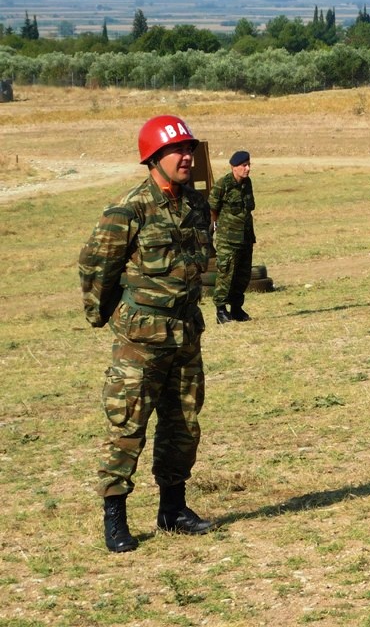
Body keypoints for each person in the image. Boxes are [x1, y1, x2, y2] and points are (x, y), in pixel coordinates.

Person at [79, 114, 214, 554]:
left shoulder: (194, 205)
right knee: (127, 424)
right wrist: (108, 316)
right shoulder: (128, 210)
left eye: (190, 149)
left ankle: (173, 508)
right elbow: (96, 267)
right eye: (177, 151)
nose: (186, 157)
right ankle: (115, 515)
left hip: (184, 333)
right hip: (141, 338)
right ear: (153, 158)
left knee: (182, 425)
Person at [209, 150, 256, 324]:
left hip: (245, 237)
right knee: (226, 274)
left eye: (249, 165)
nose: (248, 169)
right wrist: (214, 227)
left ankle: (236, 308)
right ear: (234, 167)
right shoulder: (223, 185)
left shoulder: (247, 183)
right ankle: (221, 310)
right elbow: (213, 207)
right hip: (228, 239)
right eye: (244, 165)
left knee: (243, 274)